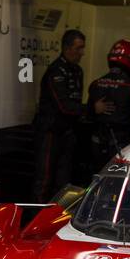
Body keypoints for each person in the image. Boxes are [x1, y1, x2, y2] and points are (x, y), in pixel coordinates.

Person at [31, 27, 85, 201]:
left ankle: (58, 220)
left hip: (68, 132)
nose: (82, 53)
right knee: (44, 179)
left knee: (63, 182)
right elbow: (65, 106)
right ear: (67, 48)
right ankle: (35, 223)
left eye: (83, 48)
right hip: (50, 133)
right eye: (79, 48)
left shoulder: (78, 71)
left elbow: (75, 104)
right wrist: (91, 109)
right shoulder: (55, 71)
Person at [86, 38, 130, 170]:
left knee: (98, 174)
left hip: (96, 142)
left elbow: (88, 113)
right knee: (118, 177)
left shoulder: (95, 84)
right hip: (121, 143)